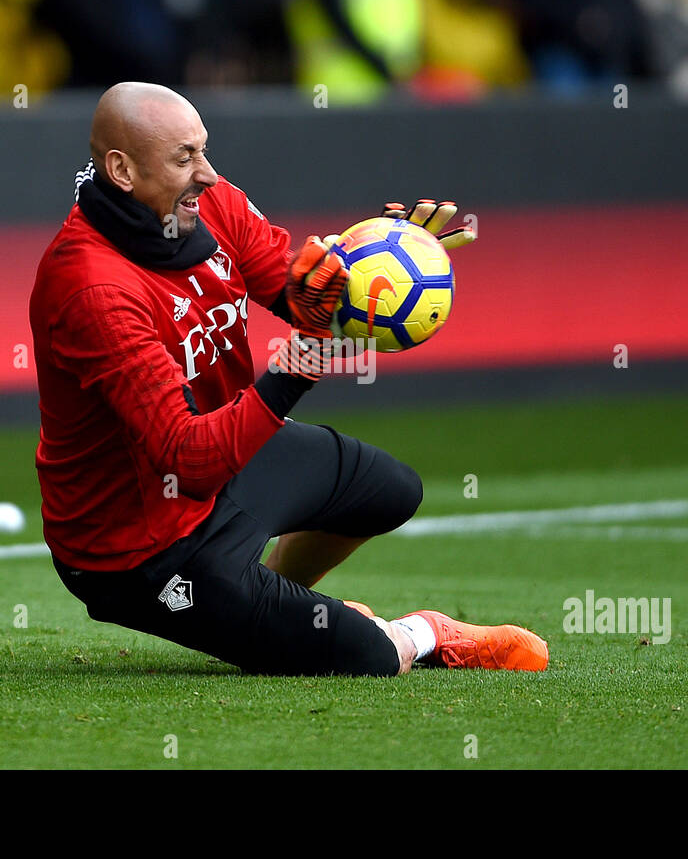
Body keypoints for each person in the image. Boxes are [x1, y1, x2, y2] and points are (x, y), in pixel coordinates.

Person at [28, 81, 549, 676]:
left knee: (391, 491)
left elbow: (302, 293)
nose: (207, 173)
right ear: (121, 170)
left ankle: (279, 617)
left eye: (202, 150)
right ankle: (424, 633)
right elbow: (187, 462)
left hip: (226, 463)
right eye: (184, 158)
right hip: (136, 544)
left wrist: (380, 262)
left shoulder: (210, 204)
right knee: (371, 659)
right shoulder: (92, 287)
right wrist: (292, 372)